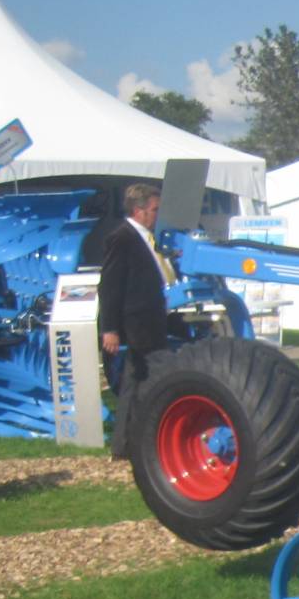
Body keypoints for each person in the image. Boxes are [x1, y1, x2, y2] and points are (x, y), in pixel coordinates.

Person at [98, 182, 172, 459]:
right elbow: (110, 286)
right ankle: (124, 446)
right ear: (139, 211)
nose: (158, 214)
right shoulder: (123, 238)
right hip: (136, 323)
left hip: (152, 320)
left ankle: (142, 440)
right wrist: (110, 329)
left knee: (148, 381)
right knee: (135, 382)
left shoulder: (148, 239)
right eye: (155, 209)